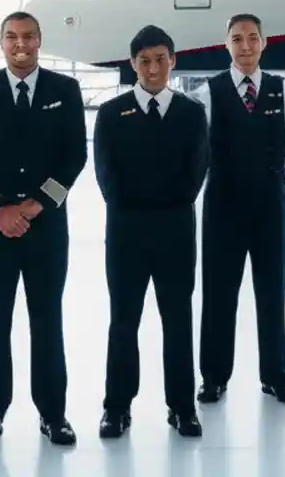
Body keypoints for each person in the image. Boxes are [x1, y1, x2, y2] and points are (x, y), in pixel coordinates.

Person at [0, 11, 88, 447]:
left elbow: (74, 157)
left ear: (39, 40)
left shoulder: (64, 90)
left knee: (47, 322)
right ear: (0, 42)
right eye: (12, 37)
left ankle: (54, 415)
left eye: (29, 36)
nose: (21, 44)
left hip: (46, 229)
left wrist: (36, 205)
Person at [93, 25, 209, 439]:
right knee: (123, 321)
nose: (153, 68)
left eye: (161, 59)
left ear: (173, 61)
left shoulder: (192, 113)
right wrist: (142, 205)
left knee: (177, 319)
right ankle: (116, 408)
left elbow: (195, 174)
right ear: (133, 64)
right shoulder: (111, 114)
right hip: (127, 233)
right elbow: (107, 178)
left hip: (176, 231)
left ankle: (182, 407)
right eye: (145, 61)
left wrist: (163, 203)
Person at [193, 14, 285, 405]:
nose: (246, 46)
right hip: (223, 204)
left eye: (253, 38)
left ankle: (276, 375)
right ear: (227, 44)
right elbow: (199, 154)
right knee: (219, 294)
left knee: (272, 291)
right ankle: (213, 377)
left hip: (271, 202)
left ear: (264, 42)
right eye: (237, 39)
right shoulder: (209, 92)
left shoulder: (283, 90)